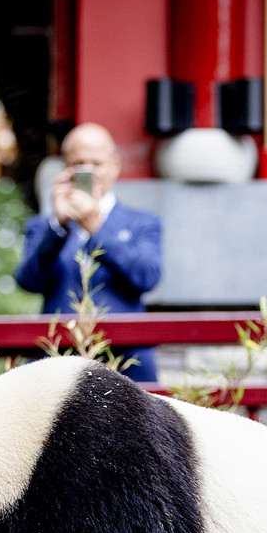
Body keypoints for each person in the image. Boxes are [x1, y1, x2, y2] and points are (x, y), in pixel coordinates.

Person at [15, 123, 163, 383]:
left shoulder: (143, 223)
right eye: (78, 163)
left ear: (114, 165)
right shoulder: (45, 226)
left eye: (96, 163)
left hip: (126, 360)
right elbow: (29, 281)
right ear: (66, 168)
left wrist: (96, 227)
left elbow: (147, 276)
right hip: (57, 360)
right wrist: (58, 227)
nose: (88, 171)